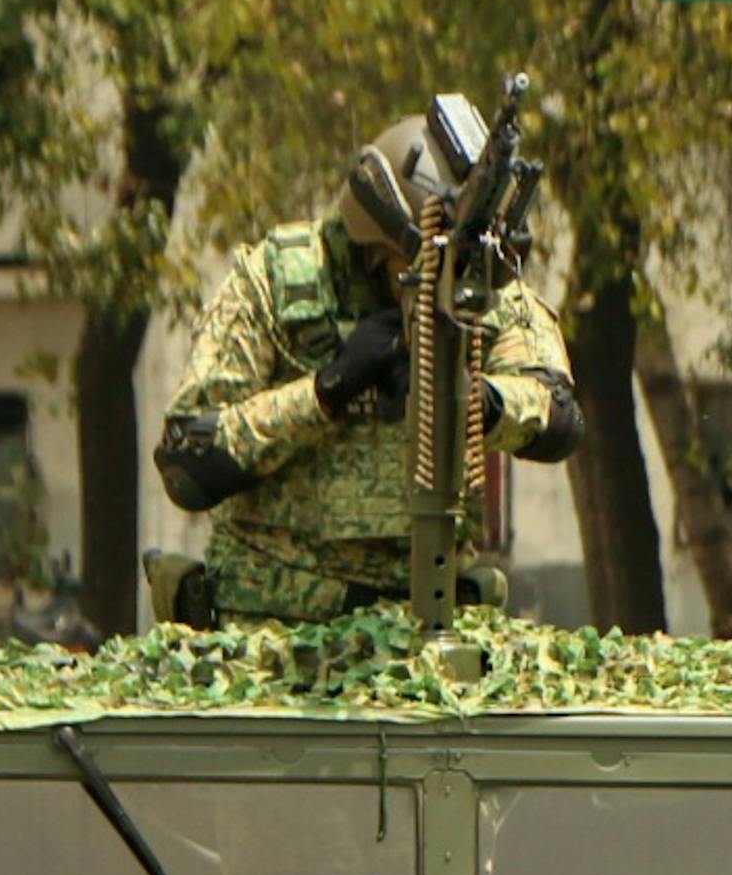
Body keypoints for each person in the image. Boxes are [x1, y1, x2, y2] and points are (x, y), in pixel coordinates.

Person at [153, 109, 577, 627]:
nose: (435, 286)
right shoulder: (276, 280)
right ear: (376, 247)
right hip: (271, 632)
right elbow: (188, 463)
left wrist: (479, 401)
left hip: (427, 627)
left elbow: (558, 414)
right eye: (416, 271)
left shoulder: (476, 282)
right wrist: (327, 391)